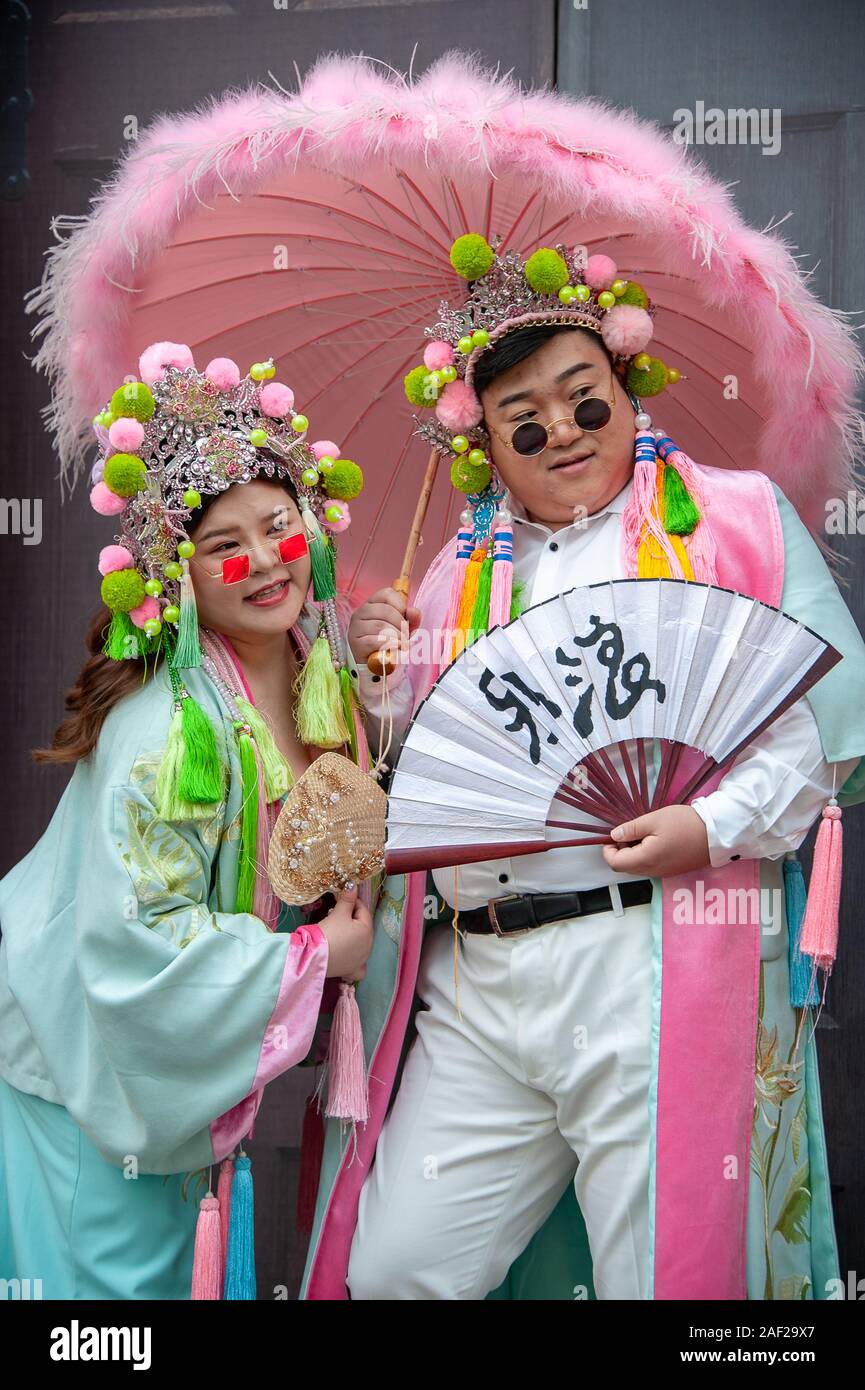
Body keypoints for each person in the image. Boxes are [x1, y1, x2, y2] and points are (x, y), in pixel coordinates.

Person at [302, 237, 865, 1301]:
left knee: (664, 1280)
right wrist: (384, 680)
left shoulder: (725, 525)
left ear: (628, 392)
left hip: (646, 956)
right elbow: (421, 776)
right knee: (395, 1273)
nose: (558, 429)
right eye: (522, 415)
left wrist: (706, 828)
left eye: (583, 398)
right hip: (474, 981)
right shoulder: (456, 570)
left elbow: (803, 738)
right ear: (483, 446)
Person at [0, 341, 374, 1300]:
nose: (262, 562)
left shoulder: (310, 673)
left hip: (163, 1078)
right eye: (224, 546)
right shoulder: (169, 730)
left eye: (280, 528)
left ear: (314, 533)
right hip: (82, 1068)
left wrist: (389, 680)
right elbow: (139, 940)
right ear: (177, 573)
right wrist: (310, 960)